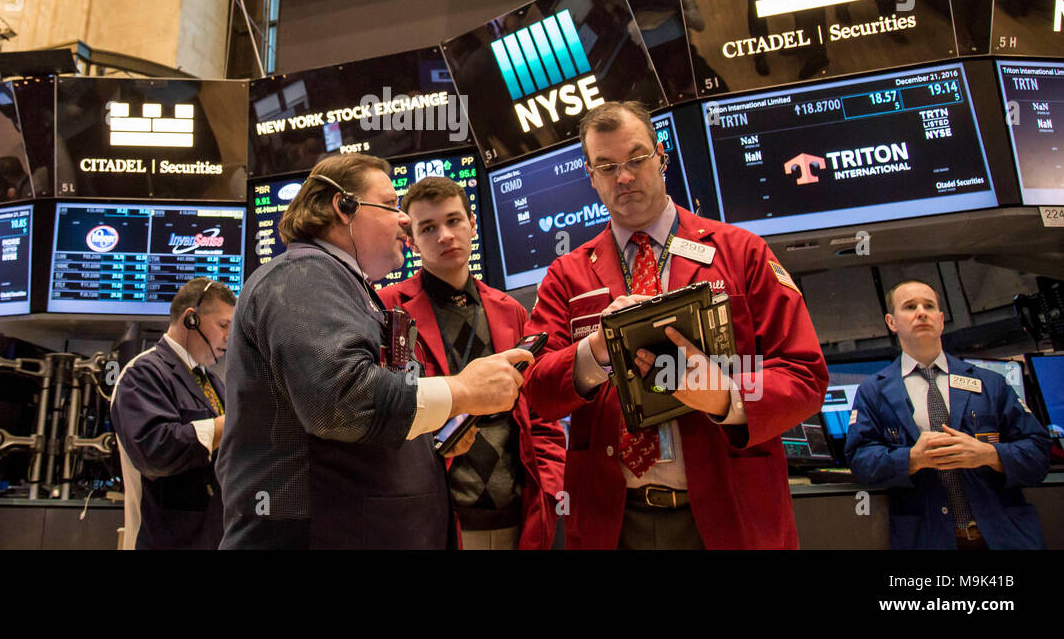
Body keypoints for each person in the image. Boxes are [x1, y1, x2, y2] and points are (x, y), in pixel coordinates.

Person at [523, 101, 828, 549]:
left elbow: (804, 374)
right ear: (591, 176)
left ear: (661, 157)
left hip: (731, 512)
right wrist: (596, 350)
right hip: (614, 520)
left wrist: (726, 396)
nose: (623, 177)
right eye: (606, 166)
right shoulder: (567, 274)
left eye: (636, 159)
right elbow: (538, 392)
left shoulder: (742, 252)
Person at [217, 153, 535, 549]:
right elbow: (341, 402)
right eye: (389, 205)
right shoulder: (302, 273)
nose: (404, 219)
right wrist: (462, 391)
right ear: (343, 207)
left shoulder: (347, 287)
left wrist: (431, 430)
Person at [378, 175, 566, 550]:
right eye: (428, 228)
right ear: (410, 240)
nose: (445, 235)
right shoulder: (389, 309)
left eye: (453, 221)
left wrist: (550, 486)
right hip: (437, 521)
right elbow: (381, 413)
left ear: (472, 224)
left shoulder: (510, 310)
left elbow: (540, 415)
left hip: (520, 514)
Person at [845, 279, 1051, 549]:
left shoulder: (991, 383)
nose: (921, 312)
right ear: (892, 322)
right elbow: (860, 460)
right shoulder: (873, 390)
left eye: (929, 306)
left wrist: (988, 455)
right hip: (927, 538)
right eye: (909, 307)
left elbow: (1038, 452)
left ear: (941, 320)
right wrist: (911, 459)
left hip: (1002, 535)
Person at [110, 277, 234, 549]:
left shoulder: (211, 381)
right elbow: (154, 451)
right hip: (163, 540)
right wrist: (232, 424)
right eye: (223, 326)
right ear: (191, 319)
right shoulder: (142, 373)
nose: (229, 337)